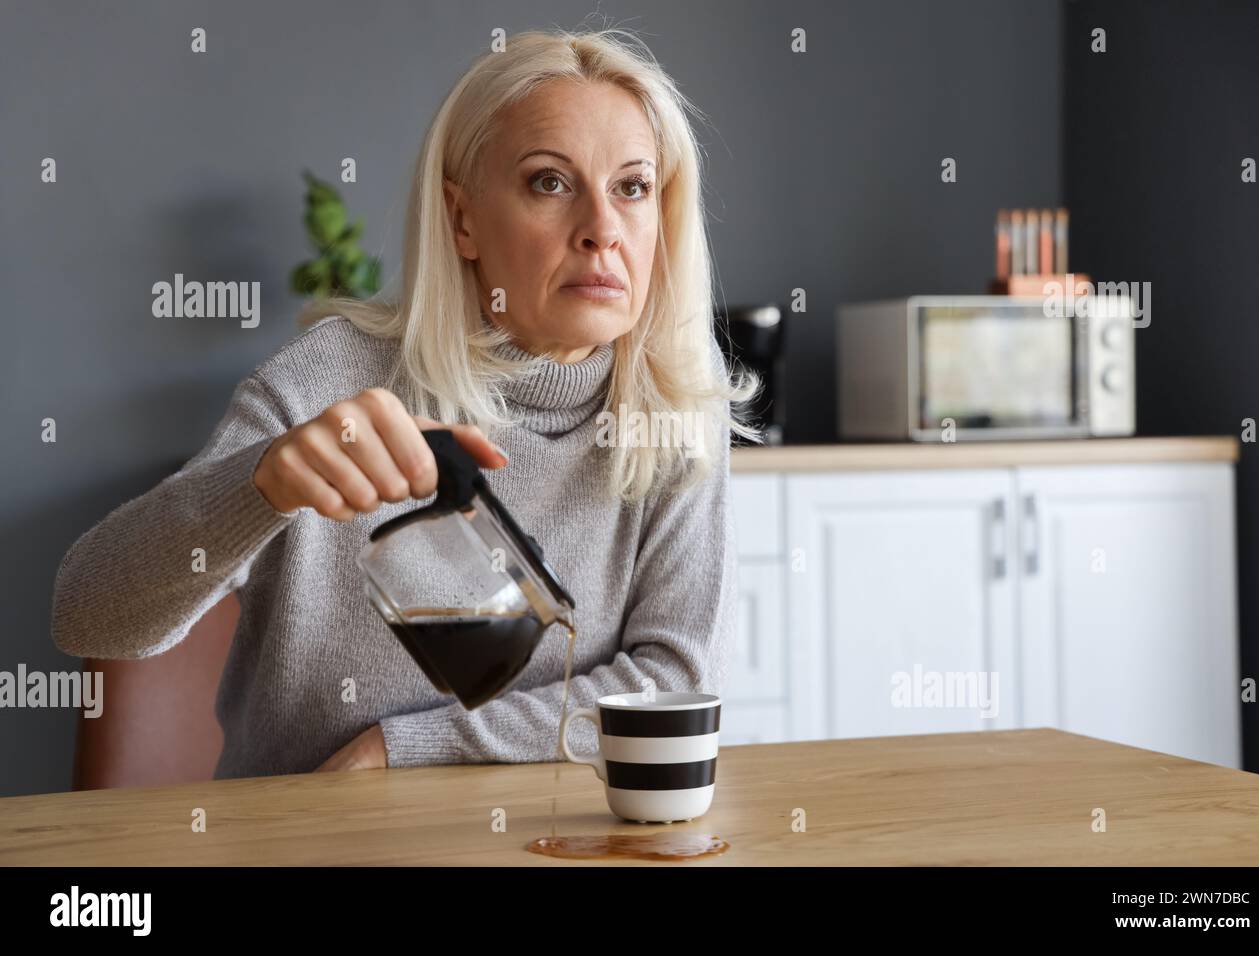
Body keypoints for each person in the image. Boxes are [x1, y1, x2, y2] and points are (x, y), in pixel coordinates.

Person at [50, 26, 760, 778]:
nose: (602, 231)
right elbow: (86, 615)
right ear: (462, 219)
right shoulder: (330, 378)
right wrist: (261, 487)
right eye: (549, 182)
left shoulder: (676, 393)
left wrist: (404, 749)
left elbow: (675, 681)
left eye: (632, 187)